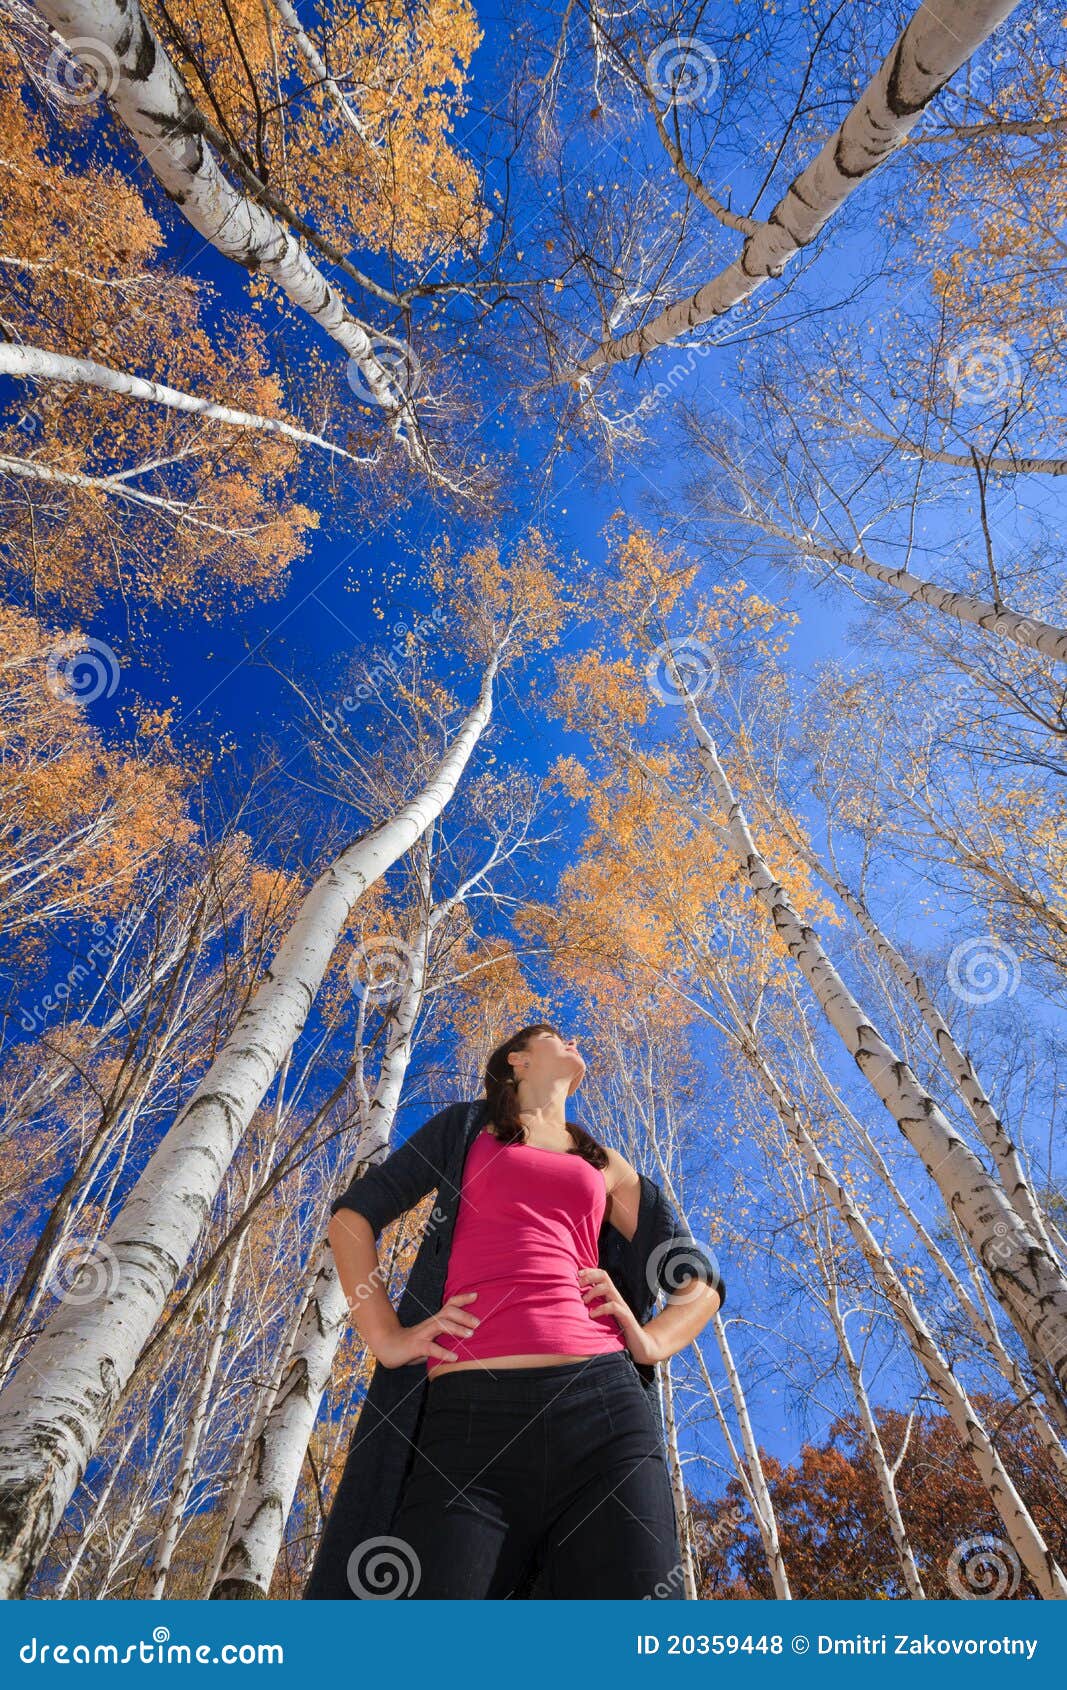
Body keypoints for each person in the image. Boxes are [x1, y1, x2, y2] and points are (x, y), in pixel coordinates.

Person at [303, 1024, 725, 1600]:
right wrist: (387, 1337)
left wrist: (650, 1342)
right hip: (469, 1419)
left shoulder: (601, 1162)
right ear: (518, 1062)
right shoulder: (466, 1128)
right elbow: (353, 1220)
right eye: (555, 1034)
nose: (574, 1037)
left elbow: (695, 1277)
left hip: (603, 1408)